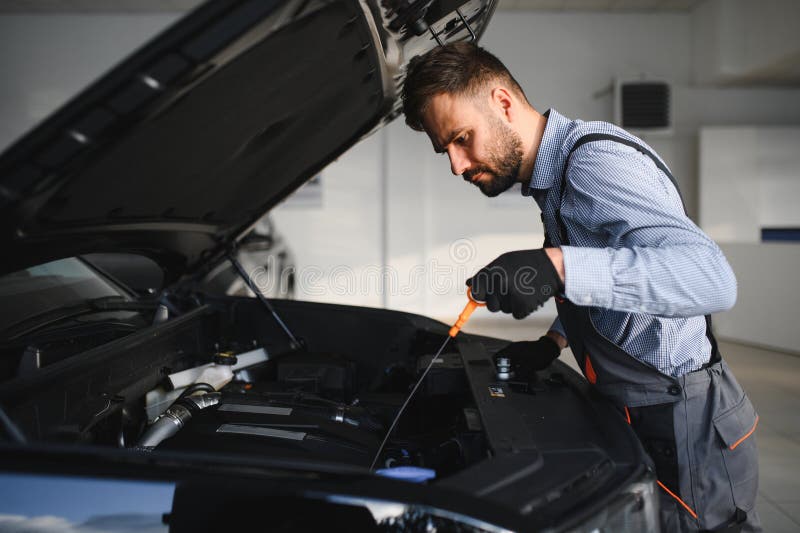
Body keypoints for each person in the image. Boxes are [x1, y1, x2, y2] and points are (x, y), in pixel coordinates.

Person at [401, 42, 760, 532]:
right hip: (640, 410)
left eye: (462, 138)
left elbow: (711, 278)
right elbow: (612, 268)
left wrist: (557, 265)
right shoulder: (553, 181)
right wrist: (555, 341)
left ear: (503, 103)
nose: (457, 165)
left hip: (685, 424)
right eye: (447, 150)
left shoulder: (594, 164)